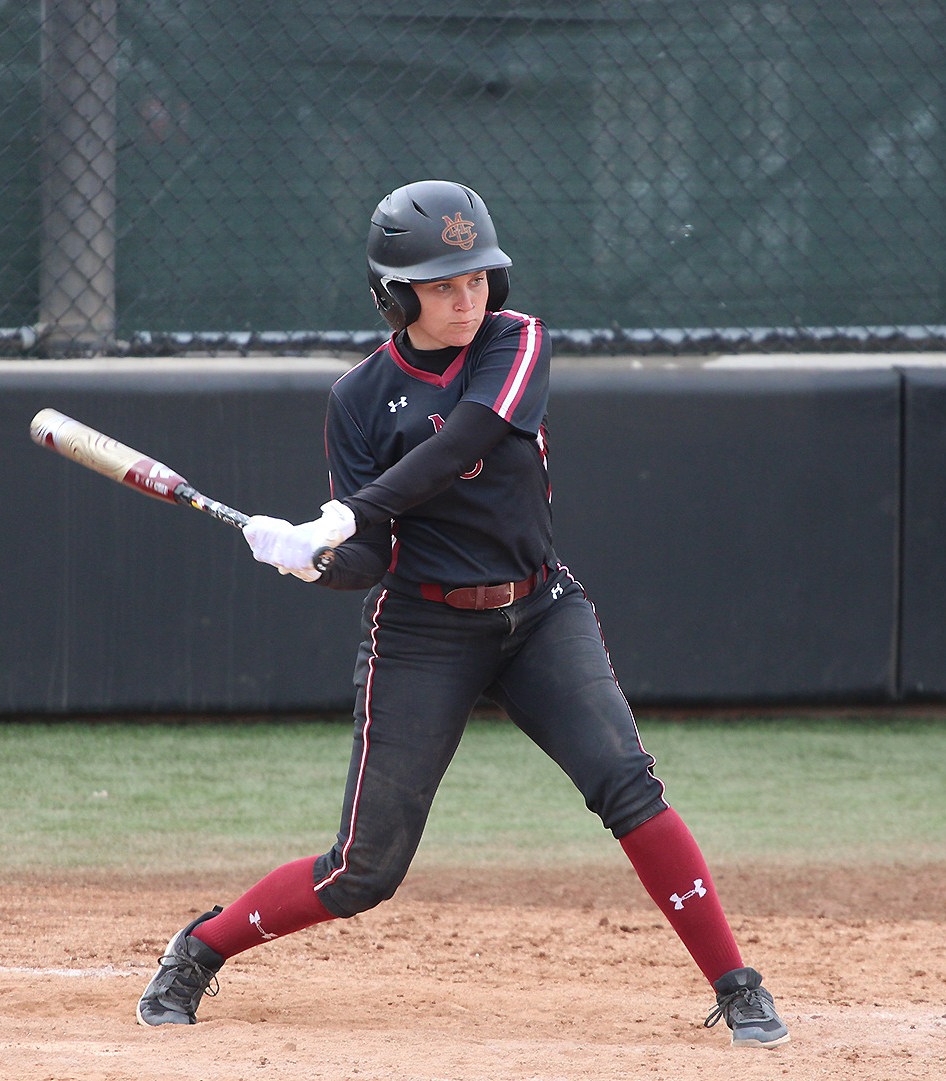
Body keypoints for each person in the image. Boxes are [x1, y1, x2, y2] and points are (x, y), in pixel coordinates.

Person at [134, 180, 791, 1047]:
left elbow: (467, 440)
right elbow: (370, 560)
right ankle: (202, 945)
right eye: (443, 286)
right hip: (422, 633)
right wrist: (315, 558)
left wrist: (348, 510)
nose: (467, 299)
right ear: (394, 295)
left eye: (478, 278)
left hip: (539, 611)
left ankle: (735, 980)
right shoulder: (357, 399)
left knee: (628, 784)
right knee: (362, 871)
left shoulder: (514, 344)